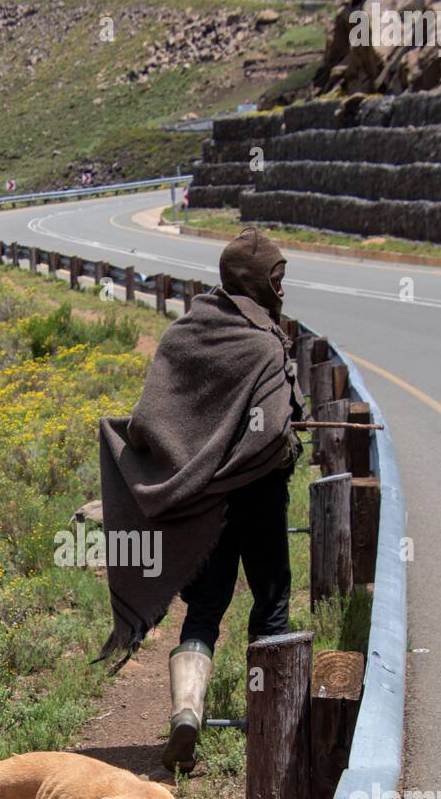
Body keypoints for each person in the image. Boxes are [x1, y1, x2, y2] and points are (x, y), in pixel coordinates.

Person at [97, 227, 307, 771]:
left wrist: (199, 467)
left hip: (204, 508)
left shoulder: (185, 334)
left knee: (206, 609)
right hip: (258, 499)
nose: (282, 290)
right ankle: (272, 727)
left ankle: (186, 710)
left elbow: (159, 417)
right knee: (272, 604)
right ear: (254, 280)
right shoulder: (264, 343)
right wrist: (282, 448)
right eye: (277, 279)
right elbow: (274, 433)